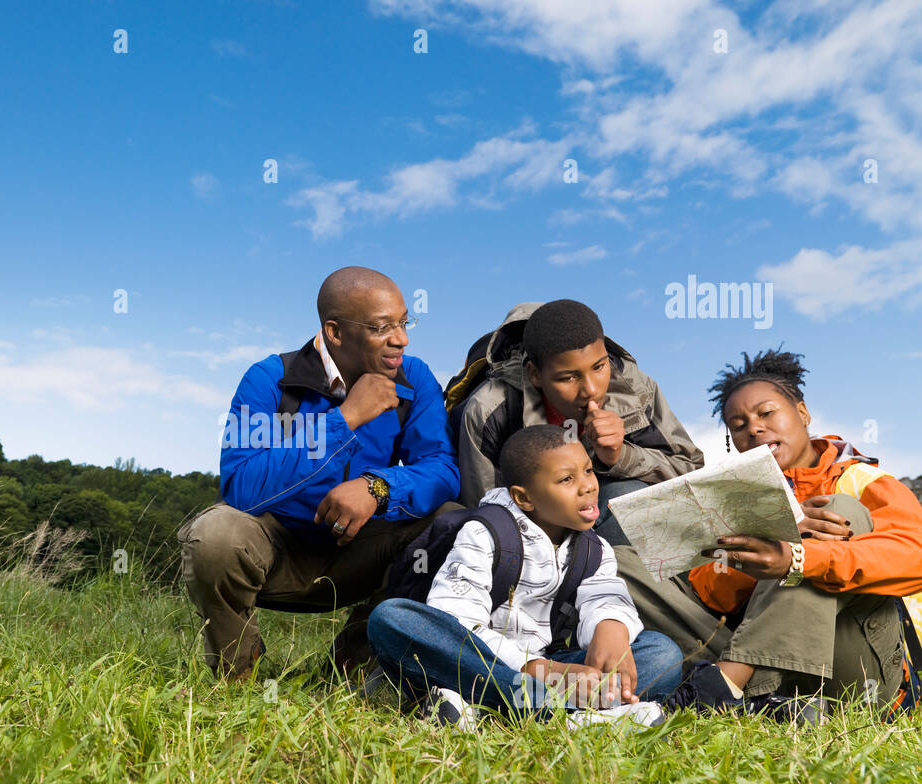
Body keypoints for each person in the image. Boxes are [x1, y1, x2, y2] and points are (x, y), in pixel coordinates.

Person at [178, 267, 459, 679]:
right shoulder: (268, 379)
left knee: (453, 520)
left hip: (361, 550)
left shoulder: (413, 377)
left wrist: (377, 487)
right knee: (215, 536)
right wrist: (344, 420)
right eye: (382, 327)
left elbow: (441, 469)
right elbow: (241, 486)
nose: (401, 338)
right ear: (335, 331)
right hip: (277, 550)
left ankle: (351, 663)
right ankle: (237, 671)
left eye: (403, 322)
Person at [616, 349, 922, 721]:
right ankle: (760, 702)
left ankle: (728, 684)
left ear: (803, 413)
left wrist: (798, 557)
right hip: (763, 658)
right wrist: (760, 545)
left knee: (836, 514)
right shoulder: (736, 498)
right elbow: (713, 595)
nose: (754, 428)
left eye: (766, 413)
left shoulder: (861, 479)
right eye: (738, 423)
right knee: (620, 561)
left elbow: (914, 556)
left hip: (855, 672)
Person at [367, 425, 683, 728]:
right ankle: (566, 716)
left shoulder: (596, 548)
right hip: (477, 661)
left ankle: (482, 710)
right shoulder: (484, 533)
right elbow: (457, 621)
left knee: (662, 654)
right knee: (390, 619)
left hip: (556, 667)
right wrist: (541, 671)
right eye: (566, 479)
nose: (588, 486)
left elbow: (604, 597)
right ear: (524, 498)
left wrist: (611, 626)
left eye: (588, 471)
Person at [451, 299, 703, 544]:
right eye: (569, 378)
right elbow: (486, 518)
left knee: (629, 499)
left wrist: (620, 456)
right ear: (535, 374)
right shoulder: (490, 411)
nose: (591, 390)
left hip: (601, 514)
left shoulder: (634, 387)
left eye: (599, 367)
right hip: (530, 531)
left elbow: (690, 469)